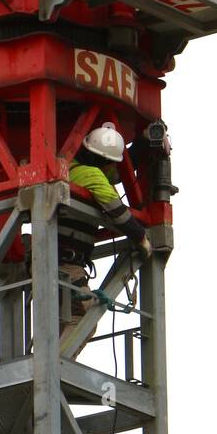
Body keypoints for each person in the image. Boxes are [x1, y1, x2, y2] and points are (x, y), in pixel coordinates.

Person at [58, 121, 152, 327]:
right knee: (81, 321)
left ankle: (43, 357)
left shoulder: (74, 170)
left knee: (59, 322)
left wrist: (141, 144)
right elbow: (116, 209)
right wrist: (141, 237)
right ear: (101, 162)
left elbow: (117, 174)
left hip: (57, 261)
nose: (112, 168)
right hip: (65, 264)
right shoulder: (91, 175)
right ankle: (50, 360)